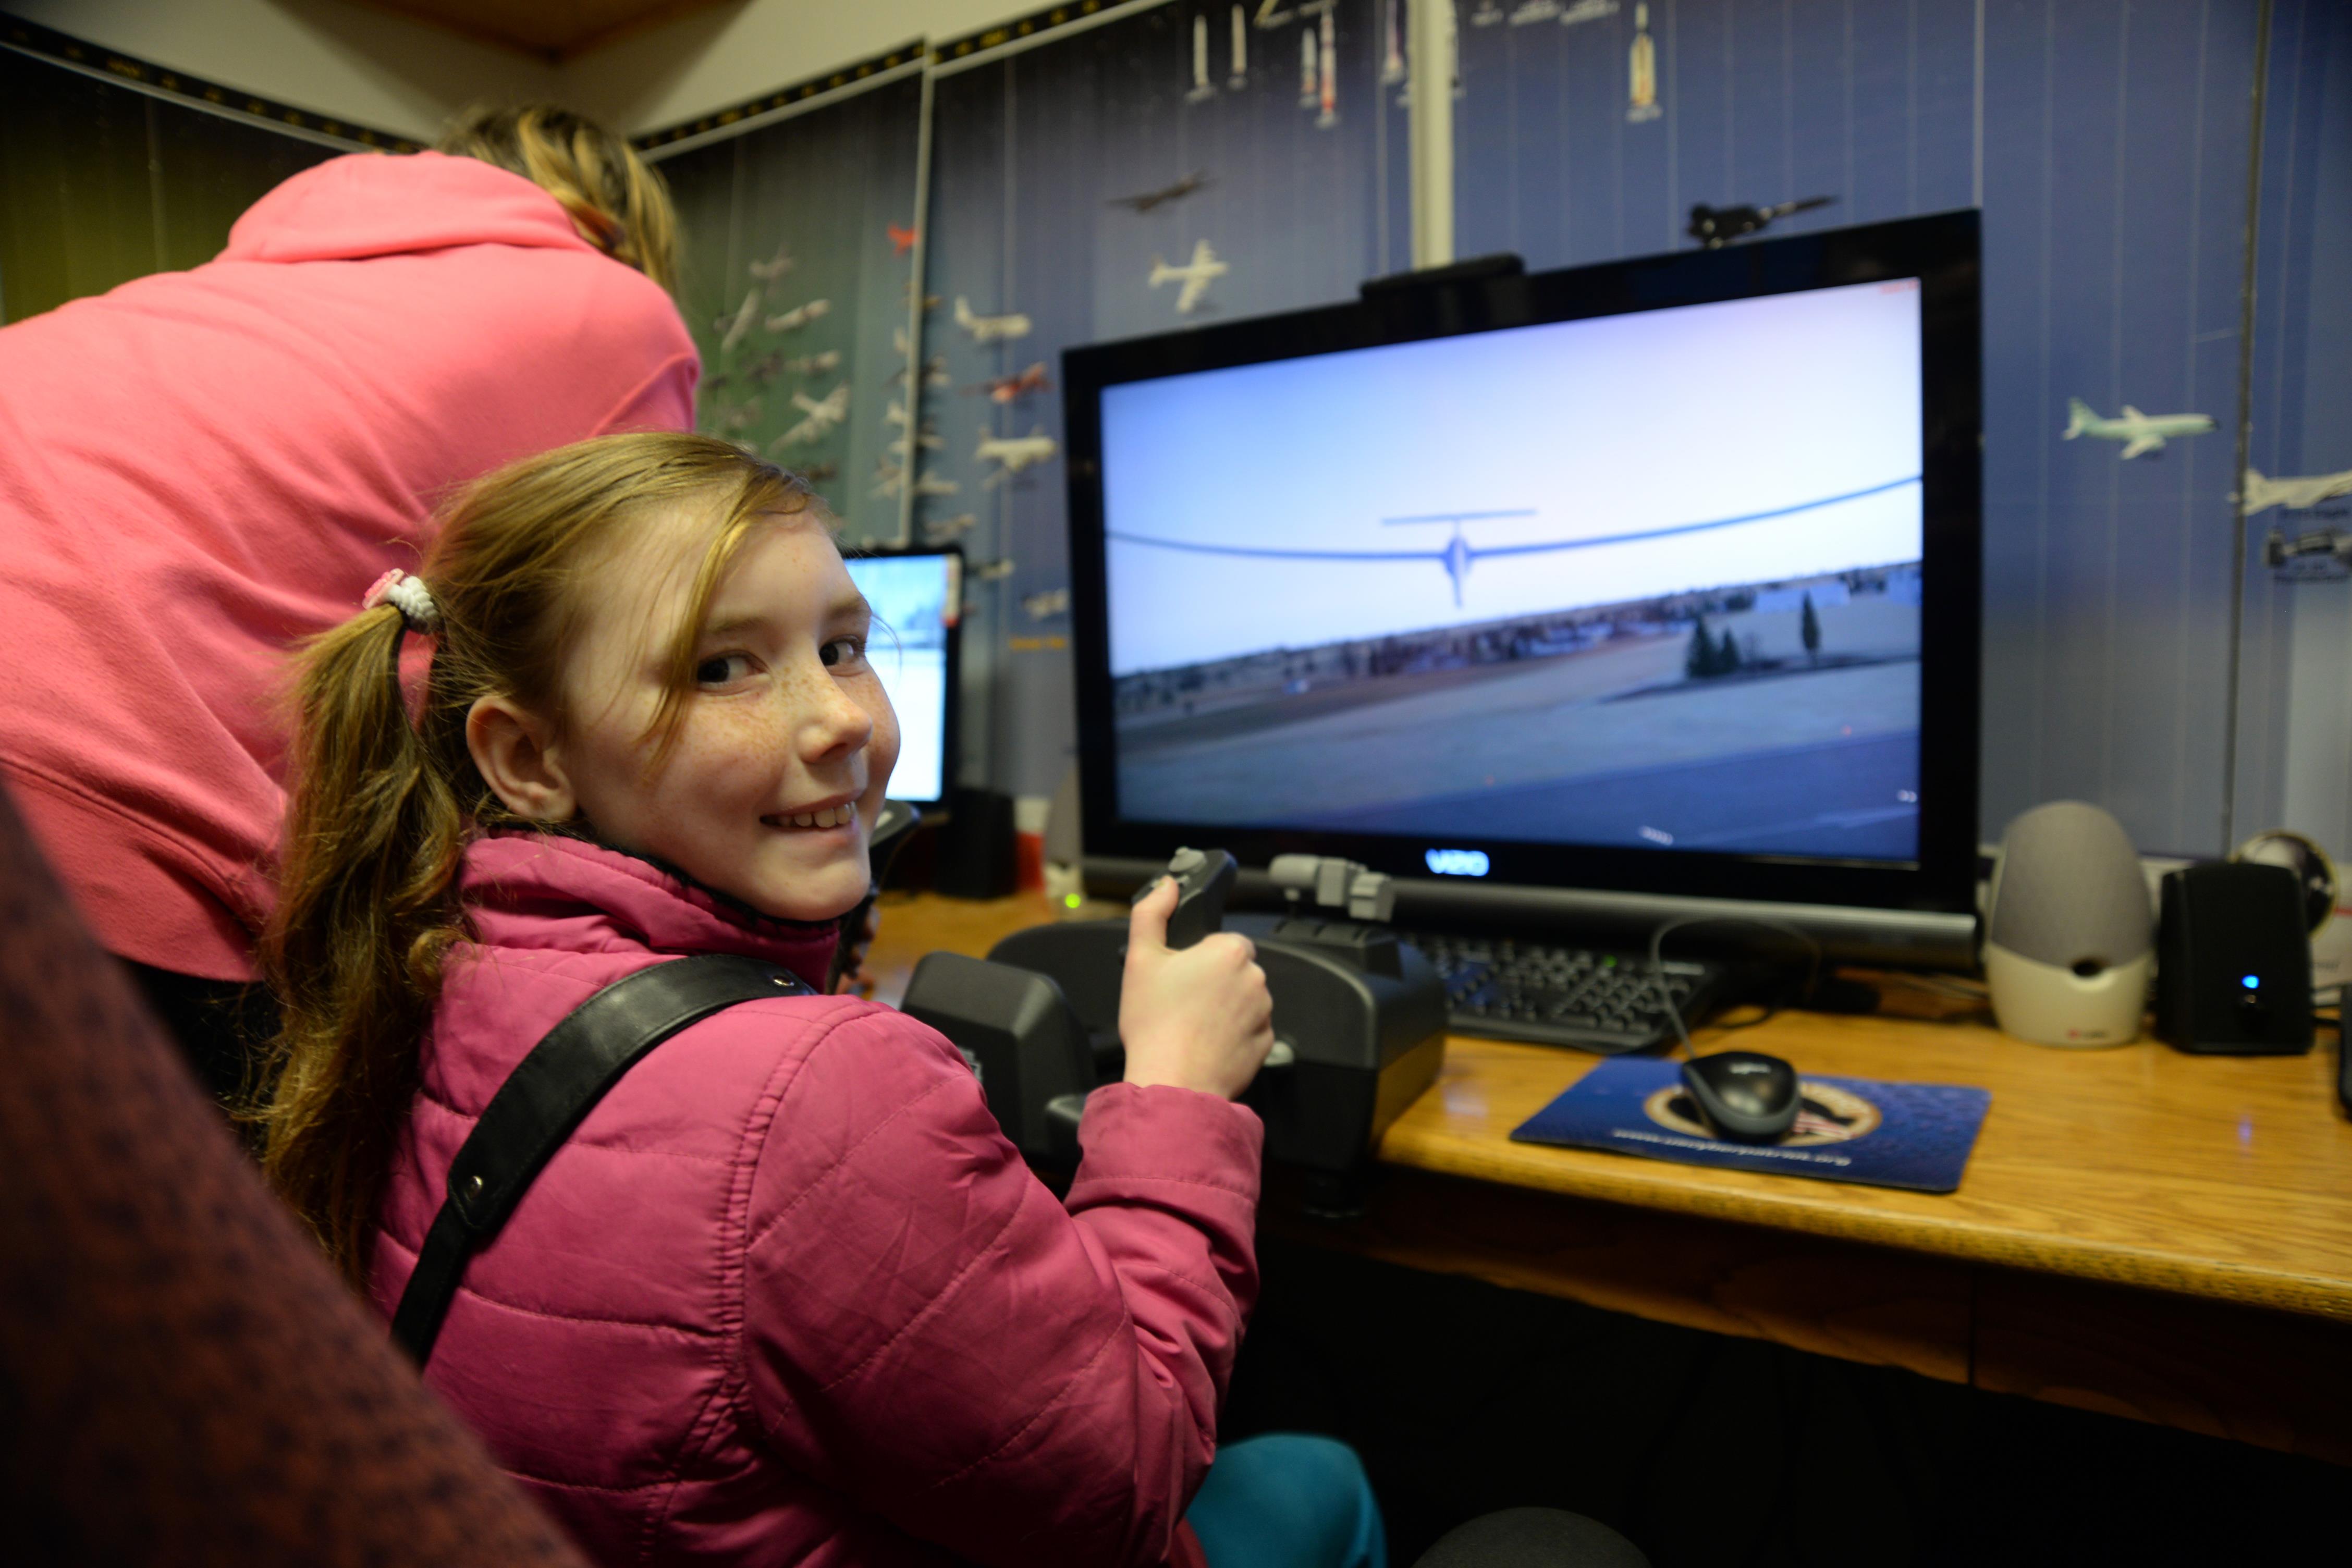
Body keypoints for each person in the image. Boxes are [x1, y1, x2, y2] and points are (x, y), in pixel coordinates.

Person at [256, 431, 1381, 1568]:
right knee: (1319, 1475)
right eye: (722, 669)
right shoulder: (819, 1091)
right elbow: (1127, 1485)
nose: (842, 717)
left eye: (843, 648)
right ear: (530, 760)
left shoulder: (434, 969)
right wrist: (1180, 1089)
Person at [0, 104, 697, 1098]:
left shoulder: (271, 278)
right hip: (84, 786)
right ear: (612, 226)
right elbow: (646, 678)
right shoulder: (618, 310)